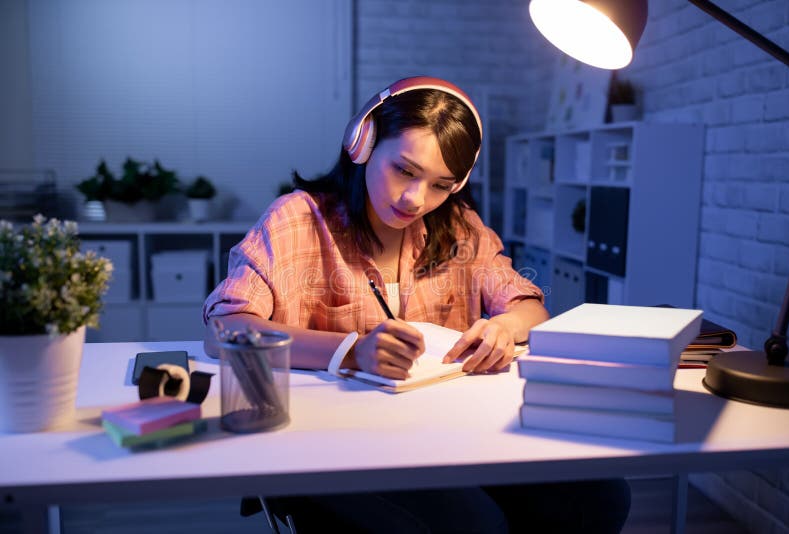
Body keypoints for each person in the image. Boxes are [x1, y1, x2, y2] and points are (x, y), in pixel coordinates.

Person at [203, 76, 630, 533]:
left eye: (440, 185)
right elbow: (224, 329)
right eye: (405, 170)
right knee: (474, 525)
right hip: (335, 441)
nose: (416, 199)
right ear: (363, 144)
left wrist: (505, 327)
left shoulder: (460, 227)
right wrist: (351, 352)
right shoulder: (297, 220)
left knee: (601, 496)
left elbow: (530, 307)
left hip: (445, 431)